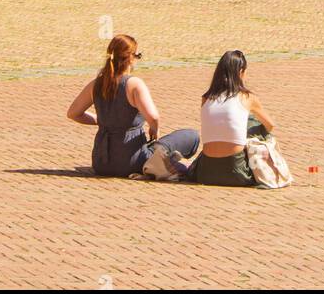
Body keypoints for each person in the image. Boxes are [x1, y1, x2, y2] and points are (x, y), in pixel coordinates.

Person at [67, 34, 199, 178]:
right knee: (191, 136)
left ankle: (166, 164)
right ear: (130, 58)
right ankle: (165, 165)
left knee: (167, 154)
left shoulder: (96, 84)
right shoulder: (134, 84)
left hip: (101, 163)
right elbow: (153, 116)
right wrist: (154, 129)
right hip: (133, 160)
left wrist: (103, 121)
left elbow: (73, 113)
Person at [191, 49, 276, 188]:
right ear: (241, 72)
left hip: (205, 172)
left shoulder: (206, 98)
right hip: (236, 172)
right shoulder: (247, 97)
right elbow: (270, 125)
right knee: (255, 124)